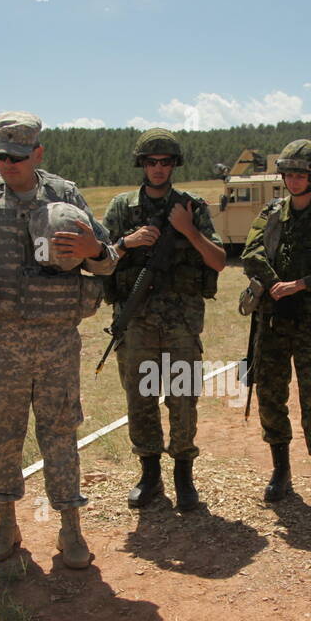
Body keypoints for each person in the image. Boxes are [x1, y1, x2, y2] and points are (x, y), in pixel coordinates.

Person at [0, 111, 117, 569]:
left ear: (37, 153)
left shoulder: (65, 195)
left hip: (56, 340)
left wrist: (93, 251)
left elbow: (108, 258)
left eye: (17, 156)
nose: (8, 164)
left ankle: (70, 528)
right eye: (1, 156)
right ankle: (5, 522)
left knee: (59, 432)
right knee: (1, 432)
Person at [101, 128, 226, 511]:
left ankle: (183, 473)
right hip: (136, 321)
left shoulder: (191, 207)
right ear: (142, 164)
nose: (158, 169)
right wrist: (127, 243)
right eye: (151, 162)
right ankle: (150, 473)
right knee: (140, 398)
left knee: (183, 398)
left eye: (165, 162)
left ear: (174, 165)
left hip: (181, 324)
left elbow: (219, 260)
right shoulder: (122, 208)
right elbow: (98, 258)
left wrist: (188, 230)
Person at [240, 139, 311, 526]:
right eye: (288, 173)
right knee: (271, 396)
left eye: (300, 174)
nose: (293, 180)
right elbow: (250, 254)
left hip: (310, 324)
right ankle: (281, 472)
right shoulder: (271, 213)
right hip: (272, 321)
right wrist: (276, 285)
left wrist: (300, 285)